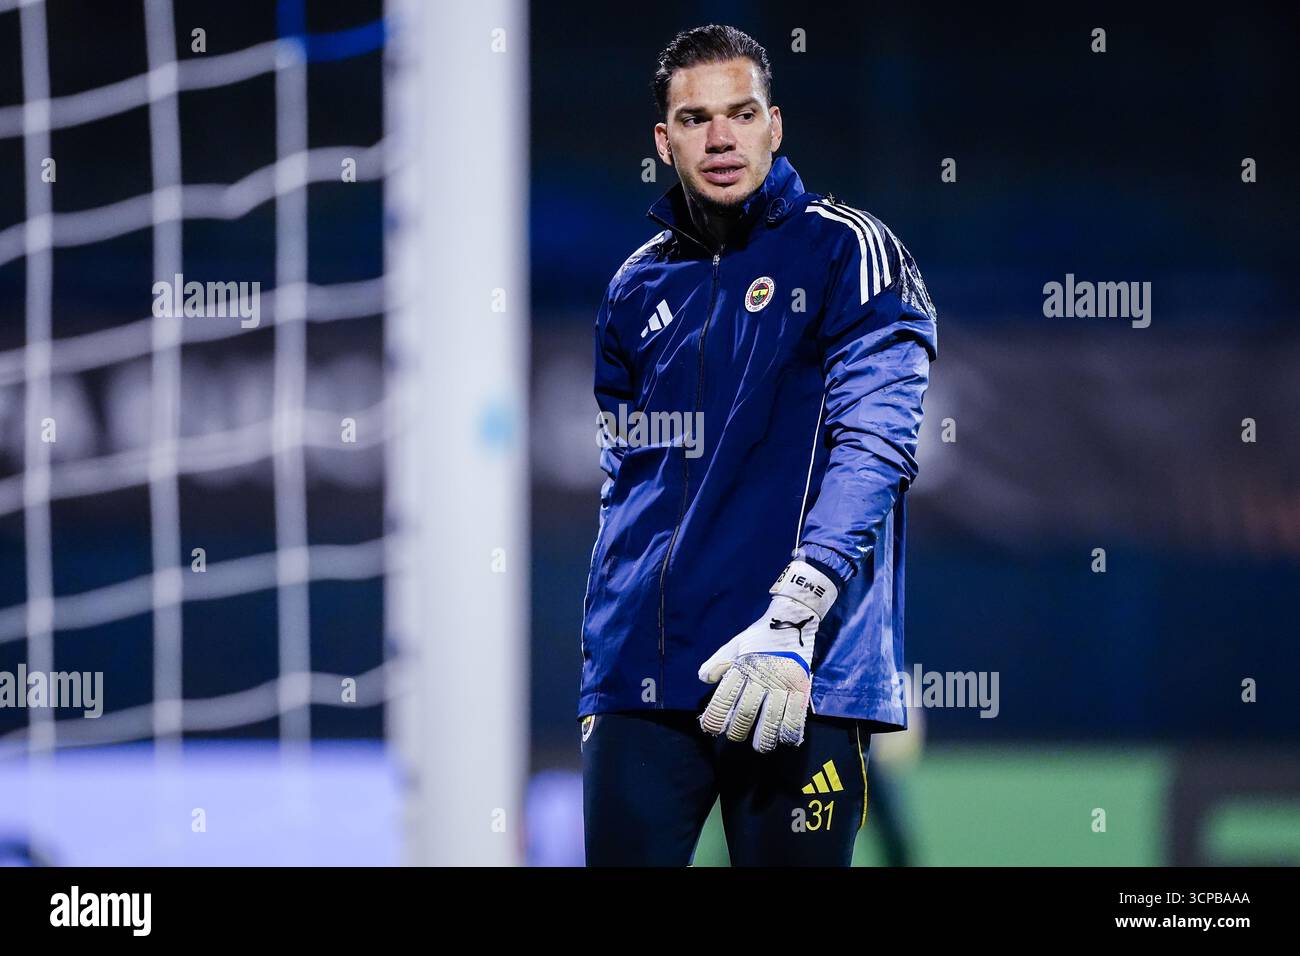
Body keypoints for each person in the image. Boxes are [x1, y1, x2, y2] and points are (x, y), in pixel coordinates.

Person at [579, 23, 938, 866]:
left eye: (740, 114)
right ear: (665, 142)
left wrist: (798, 608)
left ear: (774, 125)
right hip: (641, 682)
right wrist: (607, 647)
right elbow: (622, 477)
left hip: (794, 673)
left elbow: (876, 442)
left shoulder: (847, 250)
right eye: (696, 120)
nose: (721, 137)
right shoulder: (635, 286)